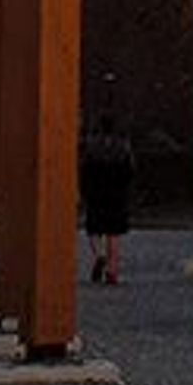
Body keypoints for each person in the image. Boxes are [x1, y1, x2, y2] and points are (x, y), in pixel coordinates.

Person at [78, 119, 136, 285]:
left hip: (96, 192)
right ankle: (112, 271)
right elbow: (130, 170)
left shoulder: (92, 147)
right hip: (117, 193)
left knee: (94, 228)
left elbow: (84, 170)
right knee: (114, 232)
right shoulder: (124, 147)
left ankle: (99, 254)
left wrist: (84, 191)